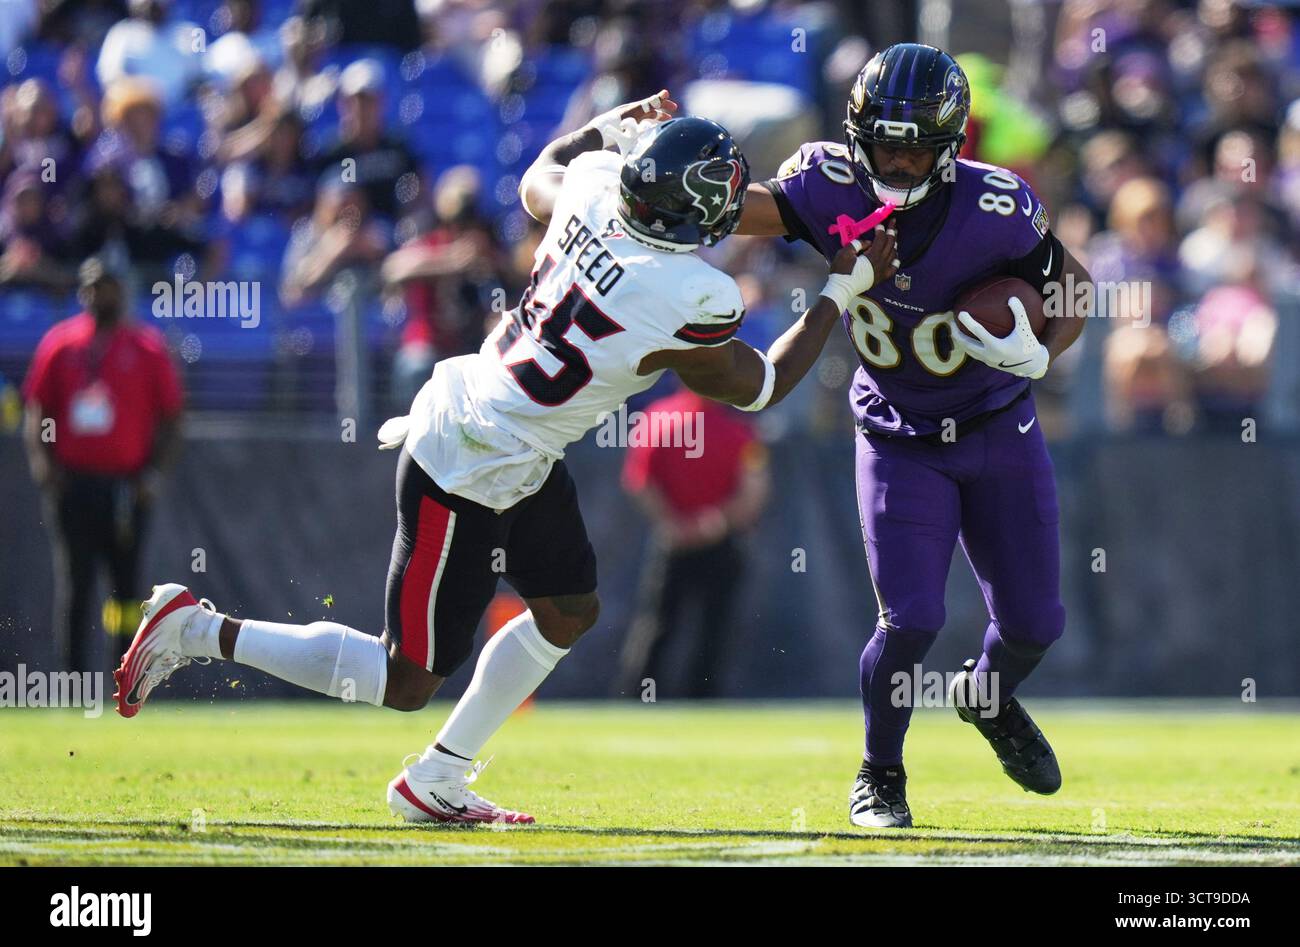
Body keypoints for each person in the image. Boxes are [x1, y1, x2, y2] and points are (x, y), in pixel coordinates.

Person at [111, 91, 899, 826]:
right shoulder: (690, 295)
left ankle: (440, 777)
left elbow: (536, 179)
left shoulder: (593, 190)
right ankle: (195, 629)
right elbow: (760, 385)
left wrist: (602, 127)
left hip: (511, 433)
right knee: (404, 679)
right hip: (470, 462)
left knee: (567, 610)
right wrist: (841, 286)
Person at [736, 43, 1090, 828]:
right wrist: (674, 182)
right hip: (898, 431)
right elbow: (746, 209)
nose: (894, 159)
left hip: (999, 423)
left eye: (912, 144)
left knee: (1037, 624)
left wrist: (1041, 349)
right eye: (883, 140)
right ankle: (880, 773)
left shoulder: (997, 206)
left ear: (950, 142)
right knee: (913, 619)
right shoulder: (827, 181)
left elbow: (1076, 285)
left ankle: (986, 698)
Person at [21, 257, 183, 672]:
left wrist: (152, 474)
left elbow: (171, 417)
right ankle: (73, 676)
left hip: (126, 487)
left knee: (125, 589)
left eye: (106, 286)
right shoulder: (61, 344)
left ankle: (123, 673)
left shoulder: (145, 346)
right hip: (75, 484)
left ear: (121, 291)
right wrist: (45, 464)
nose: (98, 295)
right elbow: (40, 411)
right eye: (90, 286)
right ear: (81, 292)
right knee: (75, 583)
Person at [616, 384, 770, 698]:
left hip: (676, 540)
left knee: (658, 625)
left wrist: (673, 524)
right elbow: (755, 490)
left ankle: (639, 697)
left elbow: (639, 482)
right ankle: (703, 698)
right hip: (717, 541)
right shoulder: (740, 427)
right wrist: (715, 522)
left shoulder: (658, 417)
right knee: (712, 628)